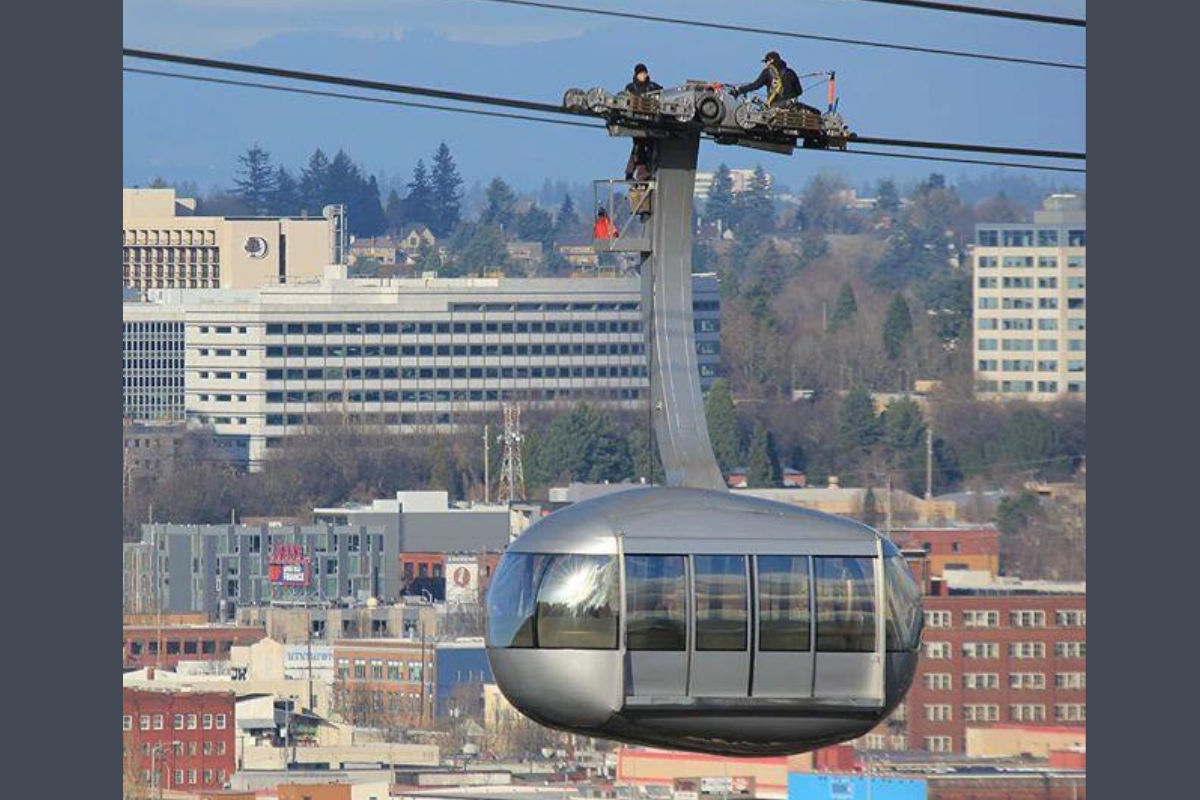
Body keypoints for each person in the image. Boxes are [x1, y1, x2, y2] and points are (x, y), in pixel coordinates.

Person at [624, 63, 662, 180]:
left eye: (645, 73)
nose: (643, 75)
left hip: (650, 123)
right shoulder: (631, 88)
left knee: (649, 146)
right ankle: (638, 173)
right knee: (639, 147)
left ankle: (639, 173)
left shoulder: (653, 87)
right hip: (636, 123)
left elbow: (663, 96)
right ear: (636, 74)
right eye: (641, 73)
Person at [730, 51, 802, 108]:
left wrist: (740, 90)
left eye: (766, 61)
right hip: (791, 106)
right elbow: (799, 91)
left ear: (771, 60)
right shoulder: (790, 72)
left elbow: (755, 85)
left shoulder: (767, 72)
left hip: (775, 106)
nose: (766, 64)